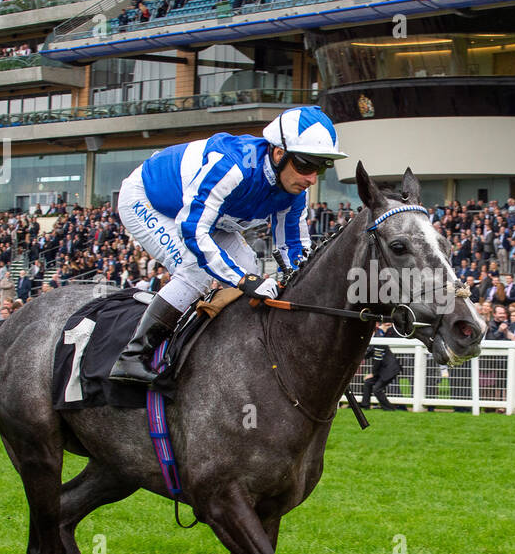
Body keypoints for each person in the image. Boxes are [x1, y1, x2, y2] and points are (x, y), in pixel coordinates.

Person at [110, 106, 346, 384]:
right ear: (279, 154)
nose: (311, 178)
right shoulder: (233, 166)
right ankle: (132, 357)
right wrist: (243, 280)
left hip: (212, 219)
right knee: (197, 271)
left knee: (250, 266)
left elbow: (295, 250)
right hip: (149, 201)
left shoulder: (295, 194)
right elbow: (192, 229)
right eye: (306, 165)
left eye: (320, 167)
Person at [361, 322, 402, 410]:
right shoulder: (377, 335)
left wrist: (373, 373)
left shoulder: (378, 337)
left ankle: (390, 408)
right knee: (368, 383)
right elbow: (369, 352)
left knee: (377, 389)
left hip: (390, 369)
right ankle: (365, 406)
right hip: (384, 368)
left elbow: (377, 358)